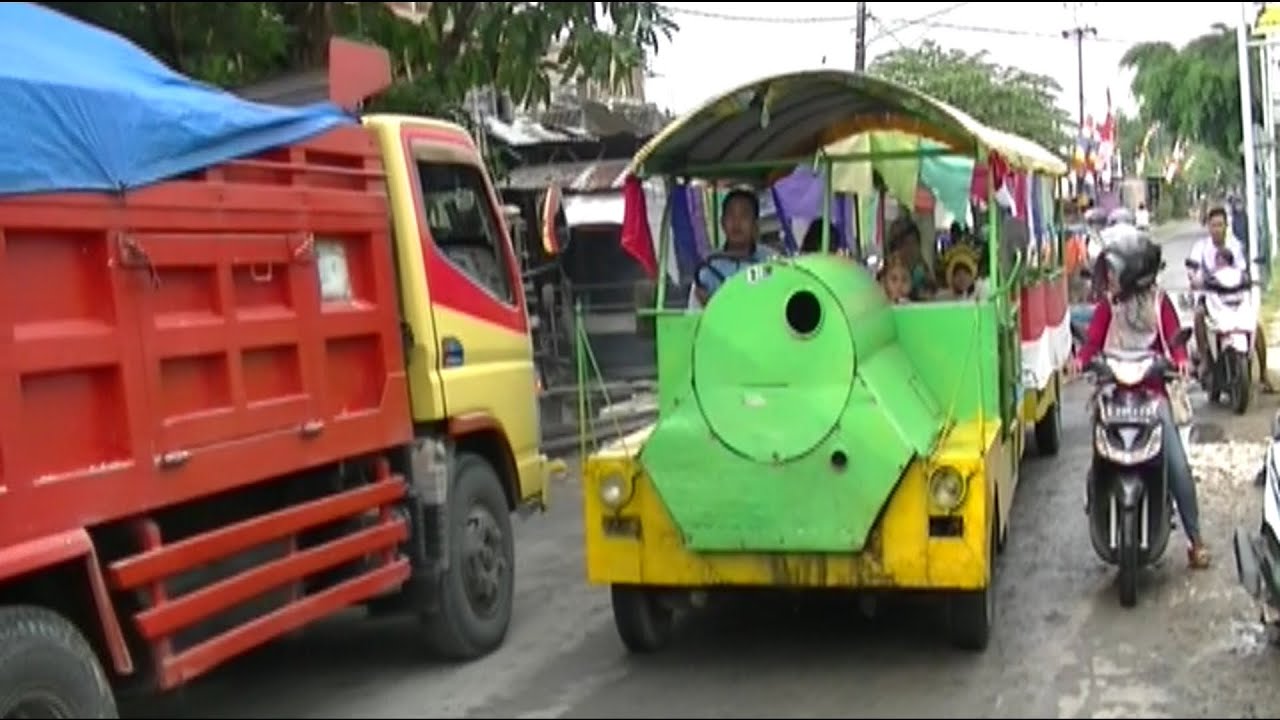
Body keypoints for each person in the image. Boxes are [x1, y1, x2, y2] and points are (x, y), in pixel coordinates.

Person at [1072, 229, 1211, 569]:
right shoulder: (1108, 307)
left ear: (1133, 275)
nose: (1110, 280)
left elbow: (1176, 342)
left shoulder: (1159, 303)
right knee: (1097, 448)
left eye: (1116, 273)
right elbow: (1091, 342)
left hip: (1153, 396)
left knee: (1178, 465)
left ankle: (1195, 540)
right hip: (1113, 392)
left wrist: (1179, 360)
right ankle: (1098, 496)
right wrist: (1079, 360)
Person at [1187, 206, 1275, 392]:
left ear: (1227, 226)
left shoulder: (1236, 246)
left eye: (1221, 225)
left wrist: (1251, 279)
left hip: (1234, 296)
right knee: (1198, 314)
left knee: (1255, 325)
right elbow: (1193, 270)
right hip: (1210, 295)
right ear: (1208, 227)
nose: (1217, 229)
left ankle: (1264, 374)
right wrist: (1195, 279)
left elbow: (1242, 270)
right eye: (1214, 225)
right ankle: (1204, 359)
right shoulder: (1201, 248)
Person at [689, 188, 772, 309]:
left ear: (755, 224)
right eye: (731, 215)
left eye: (744, 215)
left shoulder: (771, 262)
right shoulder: (708, 267)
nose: (736, 222)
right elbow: (694, 316)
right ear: (722, 222)